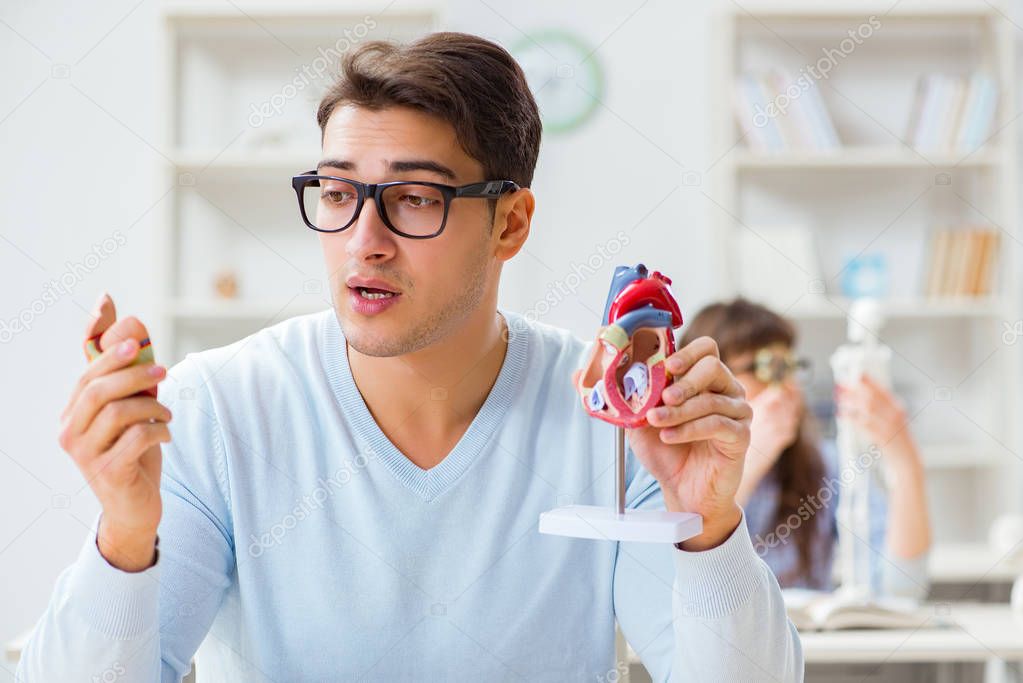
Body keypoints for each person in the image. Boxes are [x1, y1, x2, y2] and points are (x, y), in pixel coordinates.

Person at [18, 33, 802, 682]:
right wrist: (123, 534)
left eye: (416, 198)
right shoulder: (220, 408)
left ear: (510, 224)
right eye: (336, 192)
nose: (365, 240)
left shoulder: (616, 425)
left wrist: (708, 526)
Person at [680, 298, 931, 599]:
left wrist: (906, 464)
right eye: (766, 368)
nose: (786, 386)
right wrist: (748, 460)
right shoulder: (672, 473)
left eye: (789, 367)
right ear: (708, 382)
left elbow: (902, 588)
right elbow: (683, 587)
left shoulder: (825, 465)